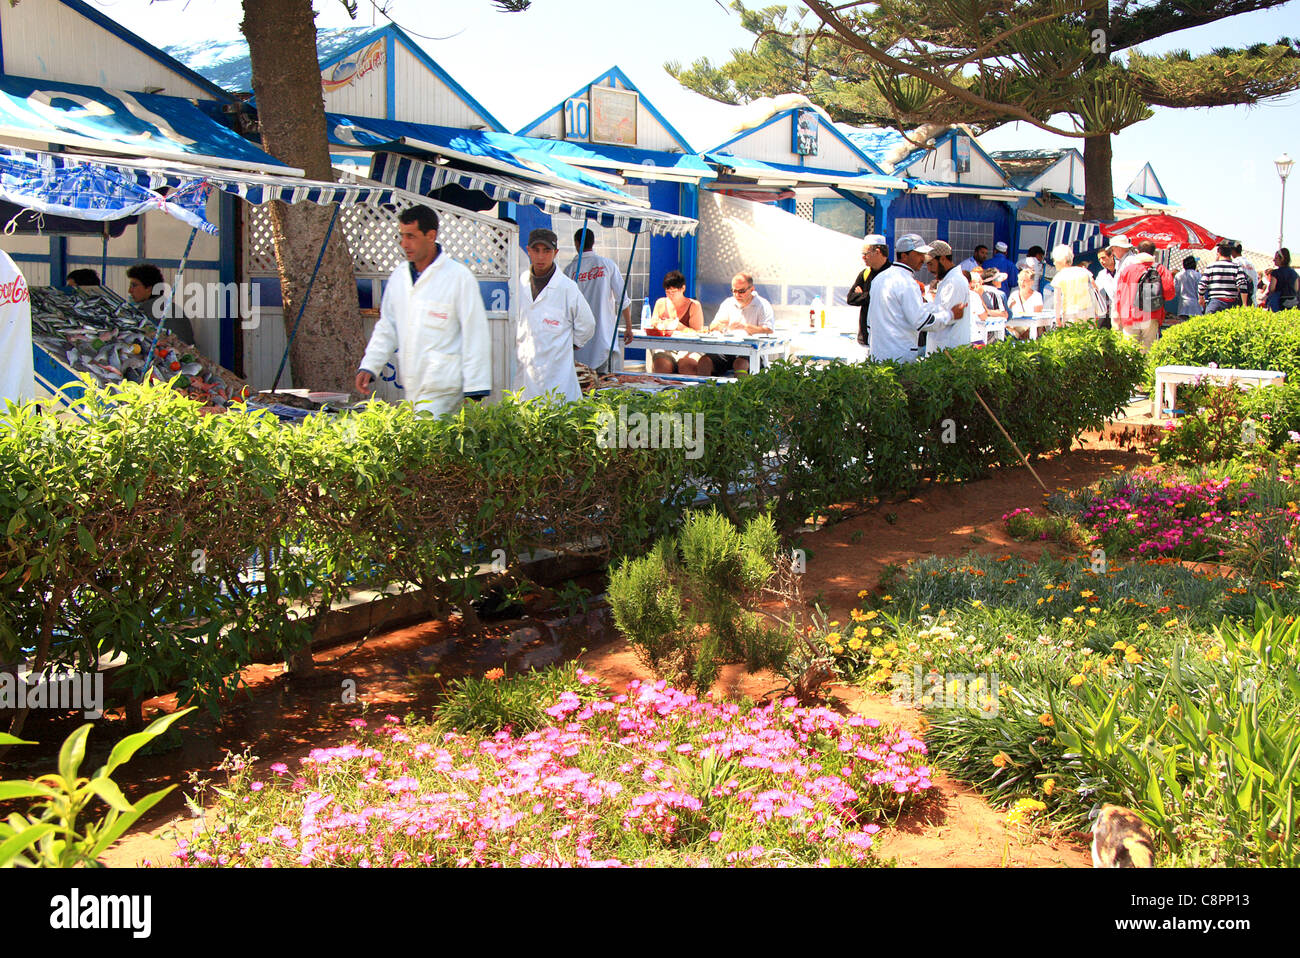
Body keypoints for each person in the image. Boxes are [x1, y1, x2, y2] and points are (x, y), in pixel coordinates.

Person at [357, 204, 492, 415]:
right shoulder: (399, 277)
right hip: (413, 384)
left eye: (411, 236)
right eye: (402, 236)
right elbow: (387, 327)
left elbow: (475, 334)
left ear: (431, 235)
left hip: (446, 389)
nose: (404, 244)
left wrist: (475, 390)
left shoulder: (458, 277)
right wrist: (370, 365)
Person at [513, 228, 596, 402]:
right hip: (526, 377)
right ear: (528, 250)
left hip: (557, 379)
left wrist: (569, 344)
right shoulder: (520, 282)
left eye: (547, 251)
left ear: (556, 253)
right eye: (536, 250)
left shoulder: (567, 287)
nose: (541, 257)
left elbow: (587, 325)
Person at [564, 228, 632, 374]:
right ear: (593, 242)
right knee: (605, 388)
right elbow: (623, 300)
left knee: (582, 386)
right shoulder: (608, 265)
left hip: (579, 343)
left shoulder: (569, 270)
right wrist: (629, 327)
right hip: (604, 338)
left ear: (576, 243)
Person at [867, 234, 939, 362]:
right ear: (904, 256)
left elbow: (870, 321)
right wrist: (949, 316)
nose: (923, 259)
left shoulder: (879, 278)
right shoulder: (907, 283)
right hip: (899, 356)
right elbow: (921, 321)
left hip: (878, 353)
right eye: (919, 254)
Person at [699, 272, 773, 376]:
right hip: (727, 348)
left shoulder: (762, 305)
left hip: (751, 350)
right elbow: (712, 326)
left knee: (740, 364)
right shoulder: (728, 303)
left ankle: (741, 392)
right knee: (704, 361)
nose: (737, 295)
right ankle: (703, 390)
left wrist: (746, 327)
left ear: (752, 289)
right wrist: (726, 327)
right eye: (734, 291)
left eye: (741, 291)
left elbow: (768, 330)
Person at [1114, 240, 1174, 351]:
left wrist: (1117, 314)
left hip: (1129, 315)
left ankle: (1130, 368)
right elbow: (1170, 294)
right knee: (1148, 350)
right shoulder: (1161, 269)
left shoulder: (1128, 270)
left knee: (1129, 350)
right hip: (1152, 314)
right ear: (1153, 253)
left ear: (1138, 251)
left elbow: (1119, 294)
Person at [648, 270, 705, 375]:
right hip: (666, 346)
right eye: (667, 292)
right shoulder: (661, 303)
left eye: (673, 292)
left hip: (689, 347)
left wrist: (680, 327)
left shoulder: (694, 306)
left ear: (683, 288)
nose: (670, 295)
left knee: (687, 365)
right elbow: (653, 323)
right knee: (662, 365)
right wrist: (660, 325)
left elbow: (698, 333)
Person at [127, 262, 194, 345]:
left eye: (134, 285)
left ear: (148, 288)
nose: (130, 290)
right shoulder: (172, 307)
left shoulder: (147, 310)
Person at [920, 240, 969, 352]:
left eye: (930, 264)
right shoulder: (948, 280)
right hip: (942, 347)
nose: (929, 269)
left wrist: (919, 310)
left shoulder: (954, 282)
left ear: (942, 258)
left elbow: (947, 316)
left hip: (949, 348)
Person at [846, 234, 890, 347]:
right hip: (865, 337)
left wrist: (863, 295)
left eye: (866, 254)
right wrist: (870, 296)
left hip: (886, 337)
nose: (863, 257)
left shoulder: (892, 274)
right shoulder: (865, 274)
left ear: (878, 252)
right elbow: (850, 298)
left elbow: (887, 299)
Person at [1048, 243, 1098, 326]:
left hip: (1070, 312)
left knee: (1072, 337)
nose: (1054, 263)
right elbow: (1095, 288)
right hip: (1088, 310)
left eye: (1055, 260)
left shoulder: (1059, 276)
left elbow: (1057, 301)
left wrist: (1057, 318)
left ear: (1061, 260)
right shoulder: (1084, 271)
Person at [1198, 243, 1251, 314]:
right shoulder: (1237, 267)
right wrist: (1244, 304)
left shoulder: (1211, 266)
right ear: (1230, 254)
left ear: (1218, 253)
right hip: (1231, 304)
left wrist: (1201, 298)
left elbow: (1202, 284)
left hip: (1215, 302)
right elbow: (1242, 284)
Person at [1094, 247, 1119, 330]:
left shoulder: (1123, 267)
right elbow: (1096, 289)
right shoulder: (1102, 274)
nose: (1101, 261)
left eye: (1103, 257)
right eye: (1099, 259)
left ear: (1112, 256)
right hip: (1112, 309)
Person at [1174, 256, 1203, 321]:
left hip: (1183, 307)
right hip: (1195, 306)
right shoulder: (1198, 275)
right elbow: (1200, 290)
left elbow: (1176, 291)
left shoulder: (1178, 275)